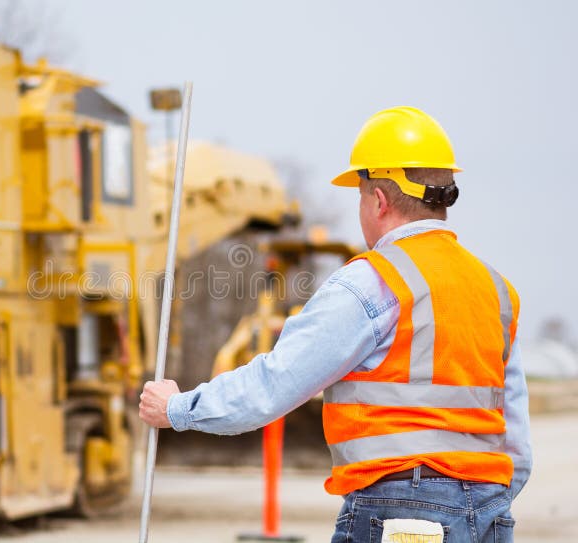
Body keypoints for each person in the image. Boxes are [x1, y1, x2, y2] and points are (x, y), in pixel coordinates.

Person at [139, 106, 532, 542]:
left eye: (360, 194)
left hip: (400, 508)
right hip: (490, 511)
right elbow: (517, 441)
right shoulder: (497, 291)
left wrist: (177, 409)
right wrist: (479, 501)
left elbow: (273, 385)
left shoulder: (374, 282)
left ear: (378, 200)